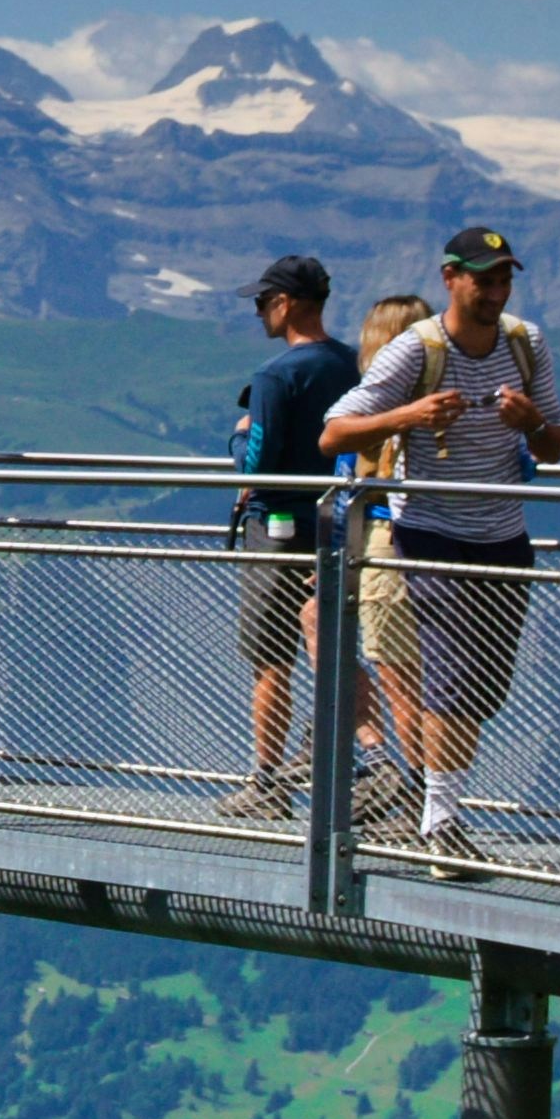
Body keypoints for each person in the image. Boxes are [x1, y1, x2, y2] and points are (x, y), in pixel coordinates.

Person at [321, 222, 560, 854]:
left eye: (505, 277)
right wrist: (409, 417)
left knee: (483, 686)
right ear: (450, 279)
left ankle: (441, 808)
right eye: (485, 279)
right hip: (429, 534)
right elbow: (336, 432)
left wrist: (530, 422)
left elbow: (557, 446)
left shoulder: (526, 344)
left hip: (505, 537)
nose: (497, 291)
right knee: (451, 680)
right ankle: (441, 821)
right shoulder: (415, 349)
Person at [225, 254, 355, 812]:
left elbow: (258, 466)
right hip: (341, 524)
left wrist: (240, 435)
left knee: (269, 655)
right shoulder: (354, 363)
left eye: (263, 302)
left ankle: (266, 782)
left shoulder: (276, 375)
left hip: (277, 526)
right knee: (331, 639)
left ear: (287, 303)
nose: (258, 313)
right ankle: (347, 758)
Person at [349, 295, 437, 795]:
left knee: (399, 678)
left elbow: (352, 487)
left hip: (389, 544)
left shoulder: (379, 407)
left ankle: (416, 792)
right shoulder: (453, 393)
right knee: (436, 678)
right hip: (451, 541)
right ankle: (434, 796)